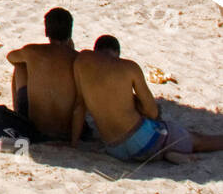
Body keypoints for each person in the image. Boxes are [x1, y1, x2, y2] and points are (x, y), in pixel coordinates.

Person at [72, 36, 223, 162]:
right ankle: (171, 150)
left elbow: (79, 107)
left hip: (114, 149)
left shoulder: (81, 62)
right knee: (196, 139)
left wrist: (73, 144)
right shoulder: (129, 68)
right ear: (117, 53)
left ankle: (167, 152)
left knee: (161, 135)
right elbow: (152, 112)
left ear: (95, 50)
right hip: (141, 142)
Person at [6, 8, 80, 141]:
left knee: (20, 65)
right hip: (66, 129)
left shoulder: (32, 51)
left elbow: (11, 57)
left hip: (35, 127)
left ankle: (18, 113)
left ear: (47, 31)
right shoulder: (77, 58)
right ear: (70, 31)